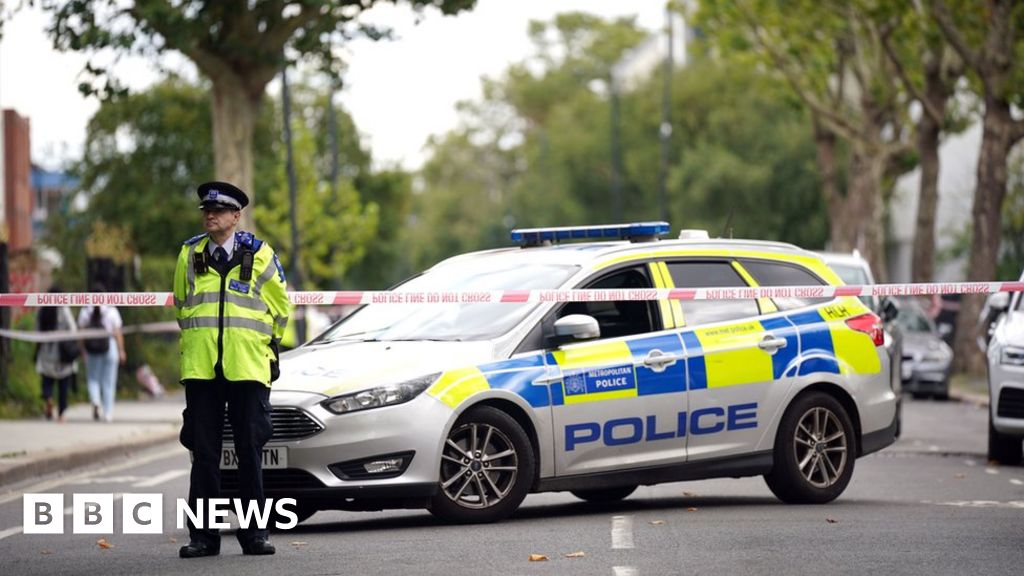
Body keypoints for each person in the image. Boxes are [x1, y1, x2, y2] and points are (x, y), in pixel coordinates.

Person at [173, 181, 291, 559]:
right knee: (204, 454)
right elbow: (181, 305)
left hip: (247, 368)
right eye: (207, 210)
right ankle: (204, 537)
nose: (210, 215)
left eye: (219, 210)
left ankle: (255, 534)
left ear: (235, 216)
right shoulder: (189, 254)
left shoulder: (261, 255)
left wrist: (263, 346)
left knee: (249, 452)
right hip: (202, 369)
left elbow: (281, 310)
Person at [78, 285, 126, 422]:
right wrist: (121, 350)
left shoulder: (85, 310)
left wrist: (82, 349)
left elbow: (81, 333)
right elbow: (118, 332)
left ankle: (95, 401)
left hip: (92, 347)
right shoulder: (111, 310)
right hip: (109, 346)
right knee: (109, 381)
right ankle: (108, 413)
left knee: (93, 378)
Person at [35, 285, 79, 422]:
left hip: (46, 351)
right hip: (62, 352)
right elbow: (73, 329)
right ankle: (61, 414)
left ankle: (48, 398)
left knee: (47, 380)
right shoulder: (63, 310)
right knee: (63, 384)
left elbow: (37, 330)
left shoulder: (42, 309)